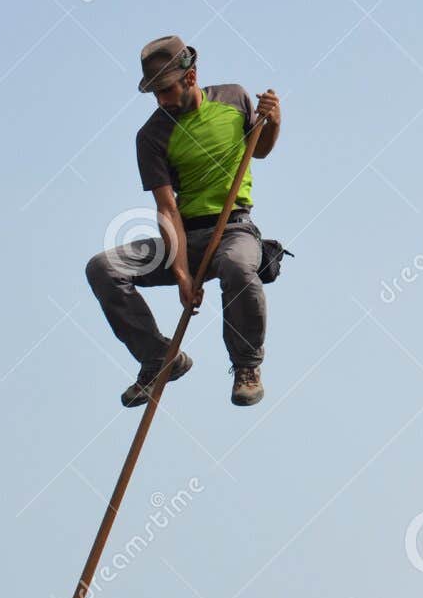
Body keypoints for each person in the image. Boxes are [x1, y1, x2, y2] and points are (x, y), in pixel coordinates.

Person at [85, 35, 281, 407]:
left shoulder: (234, 99)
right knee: (103, 268)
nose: (160, 100)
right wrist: (181, 274)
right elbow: (166, 208)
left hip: (234, 229)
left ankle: (246, 366)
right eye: (154, 93)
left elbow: (262, 150)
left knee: (238, 269)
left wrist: (273, 121)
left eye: (165, 90)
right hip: (185, 237)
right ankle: (160, 358)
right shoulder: (151, 136)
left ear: (190, 78)